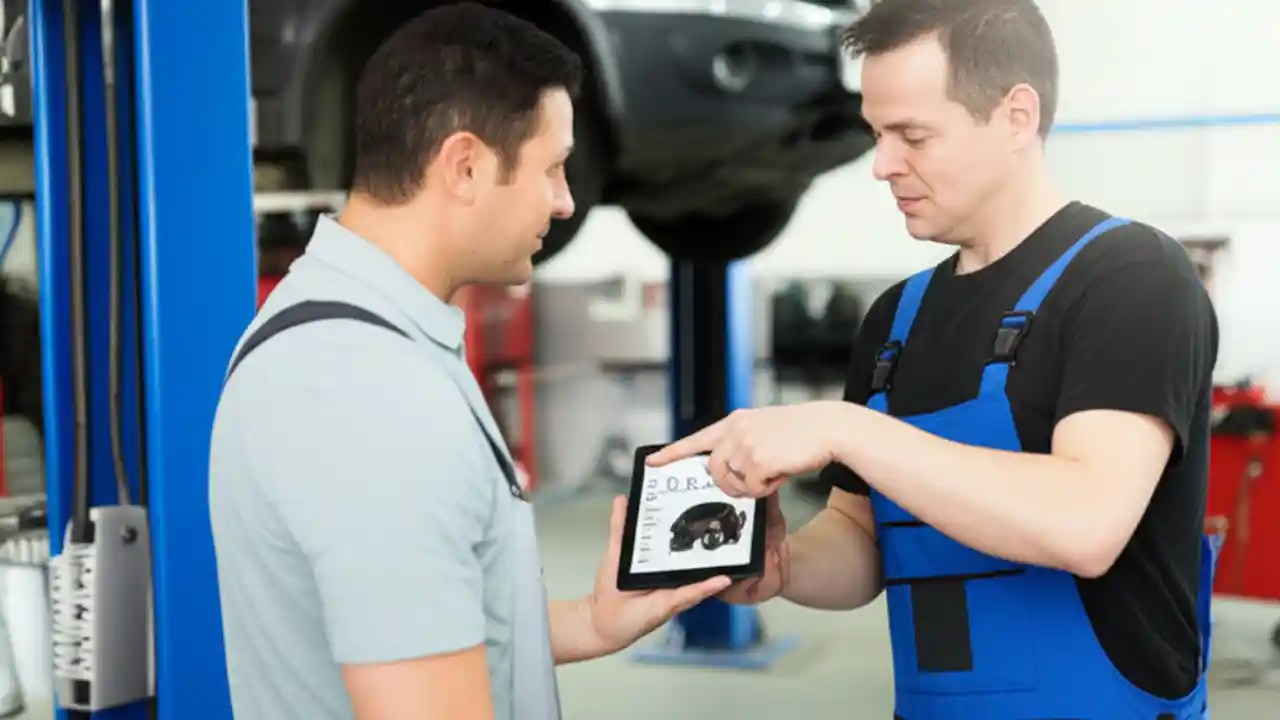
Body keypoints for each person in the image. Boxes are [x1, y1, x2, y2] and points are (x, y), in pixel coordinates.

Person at [648, 0, 1220, 718]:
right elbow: (864, 540)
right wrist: (779, 564)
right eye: (877, 134)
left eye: (912, 134)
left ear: (1016, 116)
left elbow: (1086, 523)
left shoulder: (1131, 277)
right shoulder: (895, 320)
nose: (884, 166)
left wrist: (844, 428)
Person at [207, 4, 729, 719]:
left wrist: (588, 623)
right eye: (553, 168)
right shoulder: (367, 396)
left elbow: (419, 627)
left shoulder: (362, 337)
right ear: (465, 165)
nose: (566, 201)